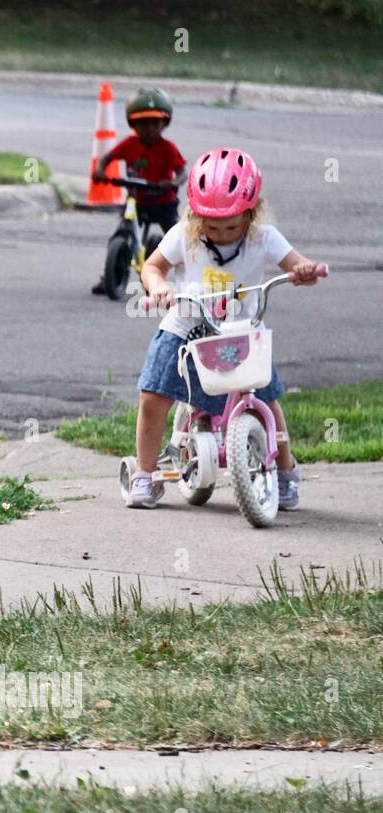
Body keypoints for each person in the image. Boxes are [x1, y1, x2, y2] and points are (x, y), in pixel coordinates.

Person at [131, 147, 325, 510]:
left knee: (267, 398)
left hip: (240, 331)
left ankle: (284, 471)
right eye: (211, 225)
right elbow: (152, 267)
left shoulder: (264, 238)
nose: (220, 233)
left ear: (252, 214)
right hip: (186, 327)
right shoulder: (182, 234)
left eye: (232, 226)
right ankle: (145, 474)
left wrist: (304, 271)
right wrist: (158, 286)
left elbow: (298, 265)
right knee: (154, 394)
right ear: (194, 215)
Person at [91, 88, 188, 295]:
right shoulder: (129, 144)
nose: (149, 129)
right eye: (143, 123)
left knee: (178, 237)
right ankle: (112, 273)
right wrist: (100, 171)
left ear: (165, 123)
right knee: (119, 234)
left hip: (163, 201)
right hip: (137, 199)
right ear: (133, 124)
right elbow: (107, 158)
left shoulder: (168, 148)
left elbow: (181, 172)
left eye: (155, 123)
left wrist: (172, 183)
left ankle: (190, 279)